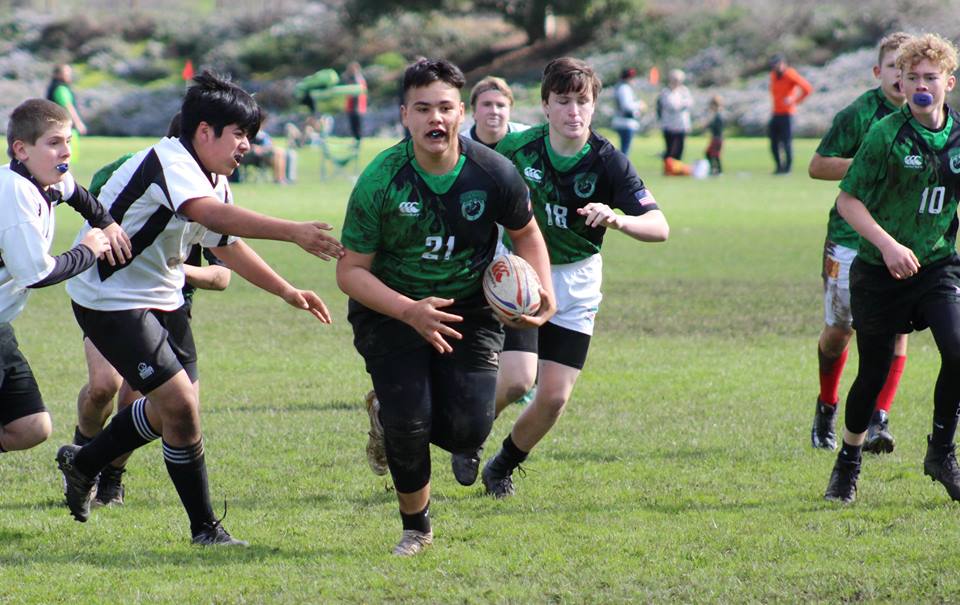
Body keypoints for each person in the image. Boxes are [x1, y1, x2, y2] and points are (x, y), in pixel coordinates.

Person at [56, 70, 343, 546]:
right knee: (179, 404)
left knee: (181, 413)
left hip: (162, 297)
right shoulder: (170, 159)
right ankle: (205, 530)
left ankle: (84, 462)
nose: (247, 146)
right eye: (239, 135)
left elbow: (225, 244)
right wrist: (293, 230)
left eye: (250, 136)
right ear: (203, 131)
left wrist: (288, 291)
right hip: (110, 299)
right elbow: (208, 216)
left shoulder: (213, 176)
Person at [336, 58, 556, 556]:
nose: (435, 119)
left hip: (468, 308)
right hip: (390, 309)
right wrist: (409, 311)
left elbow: (526, 234)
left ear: (462, 113)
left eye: (445, 108)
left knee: (469, 429)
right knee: (410, 419)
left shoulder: (492, 172)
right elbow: (350, 272)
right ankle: (416, 528)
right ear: (404, 117)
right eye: (423, 109)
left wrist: (545, 293)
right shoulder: (381, 180)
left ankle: (391, 419)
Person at [479, 57, 669, 499]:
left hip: (577, 283)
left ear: (594, 106)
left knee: (554, 398)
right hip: (522, 277)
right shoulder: (517, 149)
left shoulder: (608, 162)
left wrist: (618, 220)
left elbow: (660, 227)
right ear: (545, 106)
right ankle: (463, 440)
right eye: (562, 101)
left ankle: (502, 464)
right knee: (514, 381)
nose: (573, 112)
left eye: (582, 102)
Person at [824, 33, 960, 504]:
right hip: (879, 271)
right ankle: (849, 461)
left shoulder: (959, 136)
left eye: (931, 77)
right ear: (898, 81)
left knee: (958, 351)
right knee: (873, 373)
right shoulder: (884, 134)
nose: (922, 85)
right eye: (913, 77)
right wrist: (887, 246)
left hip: (937, 264)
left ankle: (941, 452)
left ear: (949, 82)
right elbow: (847, 200)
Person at [71, 113, 232, 508]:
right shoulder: (143, 170)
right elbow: (96, 217)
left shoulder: (215, 188)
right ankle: (82, 452)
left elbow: (222, 273)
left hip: (171, 302)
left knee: (146, 402)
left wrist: (178, 269)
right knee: (101, 388)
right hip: (115, 296)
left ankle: (107, 475)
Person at [808, 33, 913, 456]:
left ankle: (878, 419)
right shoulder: (859, 114)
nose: (899, 77)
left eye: (905, 70)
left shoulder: (928, 118)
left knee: (897, 331)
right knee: (840, 332)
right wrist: (867, 164)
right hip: (850, 241)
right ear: (879, 72)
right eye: (891, 67)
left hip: (904, 240)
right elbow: (817, 166)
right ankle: (827, 405)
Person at [0, 98, 123, 455]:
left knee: (31, 427)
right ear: (21, 150)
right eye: (54, 143)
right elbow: (37, 275)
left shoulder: (47, 177)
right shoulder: (16, 196)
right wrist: (88, 249)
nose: (65, 151)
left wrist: (107, 222)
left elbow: (78, 194)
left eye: (68, 141)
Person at [769, 54, 812, 174]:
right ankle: (778, 167)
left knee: (786, 142)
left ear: (783, 64)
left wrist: (794, 100)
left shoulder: (789, 74)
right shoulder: (773, 75)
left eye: (777, 64)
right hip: (775, 113)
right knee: (773, 143)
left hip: (787, 114)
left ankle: (788, 168)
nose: (776, 67)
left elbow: (807, 88)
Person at [463, 76, 529, 149]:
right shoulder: (459, 145)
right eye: (487, 104)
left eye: (500, 105)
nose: (494, 111)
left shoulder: (528, 139)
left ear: (510, 110)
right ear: (473, 110)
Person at [46, 64, 88, 161]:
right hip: (64, 128)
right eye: (66, 73)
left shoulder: (53, 87)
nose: (69, 75)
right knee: (66, 158)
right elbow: (68, 106)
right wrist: (78, 123)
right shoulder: (61, 89)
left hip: (55, 128)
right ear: (57, 74)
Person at [656, 68, 692, 165]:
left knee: (680, 148)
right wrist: (681, 104)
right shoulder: (665, 92)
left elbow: (689, 103)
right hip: (669, 125)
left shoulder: (684, 91)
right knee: (670, 149)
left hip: (681, 124)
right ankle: (668, 168)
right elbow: (671, 105)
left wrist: (680, 105)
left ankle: (677, 169)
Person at [612, 67, 646, 156]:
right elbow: (626, 106)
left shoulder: (621, 87)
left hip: (623, 121)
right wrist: (639, 105)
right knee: (625, 151)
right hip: (625, 122)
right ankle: (622, 169)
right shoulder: (624, 88)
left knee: (625, 149)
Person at [342, 62, 367, 144]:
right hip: (351, 106)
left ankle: (359, 140)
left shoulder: (358, 79)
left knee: (357, 125)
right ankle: (356, 139)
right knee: (353, 125)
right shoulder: (350, 78)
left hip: (358, 107)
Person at [705, 95, 724, 176]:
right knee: (709, 153)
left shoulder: (719, 115)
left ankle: (719, 170)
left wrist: (708, 124)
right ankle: (713, 169)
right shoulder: (715, 115)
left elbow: (716, 127)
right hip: (715, 138)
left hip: (717, 138)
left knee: (715, 155)